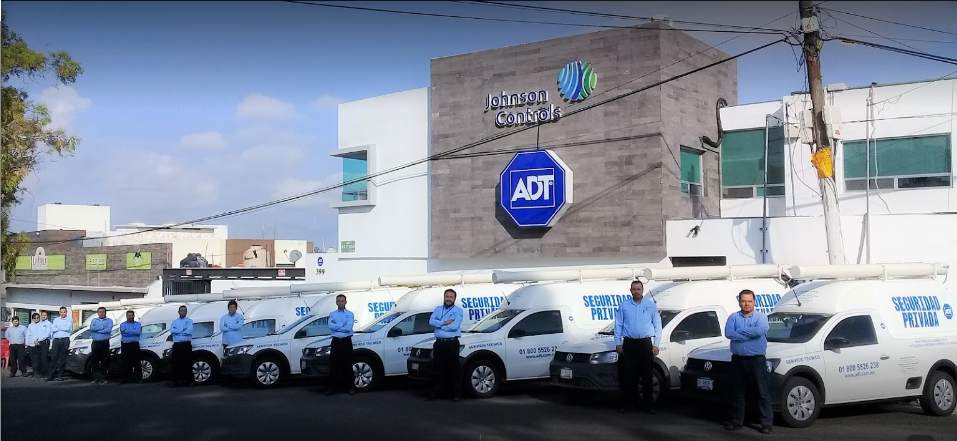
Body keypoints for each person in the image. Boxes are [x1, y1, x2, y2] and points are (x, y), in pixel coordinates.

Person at [724, 289, 773, 434]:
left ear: (754, 302)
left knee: (761, 392)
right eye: (744, 301)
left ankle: (766, 423)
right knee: (737, 392)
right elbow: (728, 333)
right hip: (738, 360)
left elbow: (760, 331)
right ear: (739, 302)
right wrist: (749, 334)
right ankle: (736, 421)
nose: (747, 304)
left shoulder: (761, 317)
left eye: (749, 301)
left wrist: (739, 332)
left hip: (756, 360)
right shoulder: (733, 317)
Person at [613, 279, 662, 414]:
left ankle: (648, 405)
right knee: (628, 376)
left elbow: (657, 326)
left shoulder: (650, 306)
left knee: (647, 375)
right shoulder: (624, 306)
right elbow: (618, 325)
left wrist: (656, 344)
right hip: (629, 344)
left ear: (642, 290)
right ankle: (628, 404)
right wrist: (618, 342)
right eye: (634, 289)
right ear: (630, 291)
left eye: (638, 289)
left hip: (645, 344)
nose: (636, 292)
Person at [427, 288, 464, 402]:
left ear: (454, 299)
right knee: (438, 368)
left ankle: (456, 394)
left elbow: (454, 326)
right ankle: (436, 393)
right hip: (439, 343)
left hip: (451, 343)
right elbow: (431, 321)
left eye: (451, 297)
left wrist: (439, 325)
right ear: (444, 297)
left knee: (453, 369)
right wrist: (444, 322)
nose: (449, 299)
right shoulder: (438, 309)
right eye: (447, 296)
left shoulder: (458, 311)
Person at [326, 294, 356, 396]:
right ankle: (332, 388)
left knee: (348, 365)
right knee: (334, 366)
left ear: (345, 302)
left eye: (342, 301)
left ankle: (350, 387)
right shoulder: (332, 314)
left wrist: (337, 326)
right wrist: (342, 325)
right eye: (338, 301)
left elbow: (348, 328)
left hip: (346, 341)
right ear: (336, 302)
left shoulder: (350, 314)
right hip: (336, 342)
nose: (340, 303)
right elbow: (331, 327)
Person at [169, 305, 194, 387]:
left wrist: (178, 331)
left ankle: (189, 381)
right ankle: (175, 381)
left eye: (184, 311)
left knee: (188, 363)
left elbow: (189, 331)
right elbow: (172, 330)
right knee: (175, 364)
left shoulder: (189, 321)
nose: (183, 312)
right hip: (177, 345)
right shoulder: (175, 321)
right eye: (181, 310)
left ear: (186, 312)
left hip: (186, 345)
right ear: (178, 312)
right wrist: (182, 330)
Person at [48, 306, 74, 381]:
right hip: (56, 340)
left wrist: (58, 328)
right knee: (53, 358)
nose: (63, 313)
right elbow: (53, 329)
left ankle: (60, 375)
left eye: (64, 312)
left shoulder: (69, 319)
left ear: (66, 312)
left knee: (62, 358)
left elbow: (67, 328)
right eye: (61, 312)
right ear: (59, 312)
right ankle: (51, 375)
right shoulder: (56, 319)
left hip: (64, 340)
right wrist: (61, 328)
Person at [89, 307, 113, 384]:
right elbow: (92, 328)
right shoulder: (94, 320)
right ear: (98, 313)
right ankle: (95, 378)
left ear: (105, 313)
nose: (101, 313)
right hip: (95, 342)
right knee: (94, 360)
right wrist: (102, 327)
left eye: (103, 312)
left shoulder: (109, 321)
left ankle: (103, 378)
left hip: (104, 342)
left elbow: (108, 330)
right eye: (100, 312)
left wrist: (97, 330)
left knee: (104, 360)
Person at [119, 310, 143, 384]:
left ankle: (138, 378)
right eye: (129, 315)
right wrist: (132, 331)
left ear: (134, 316)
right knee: (125, 362)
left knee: (136, 361)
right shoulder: (122, 324)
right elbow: (122, 333)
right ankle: (125, 379)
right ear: (126, 316)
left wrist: (127, 331)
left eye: (131, 315)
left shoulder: (138, 324)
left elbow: (137, 332)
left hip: (134, 344)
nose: (130, 317)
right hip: (125, 344)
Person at [28, 312, 52, 380]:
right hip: (38, 342)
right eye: (42, 315)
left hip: (44, 342)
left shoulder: (48, 323)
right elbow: (35, 333)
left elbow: (47, 334)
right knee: (38, 359)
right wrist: (35, 340)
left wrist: (39, 340)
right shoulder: (39, 323)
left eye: (45, 315)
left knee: (44, 358)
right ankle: (40, 373)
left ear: (47, 316)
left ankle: (47, 374)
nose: (43, 316)